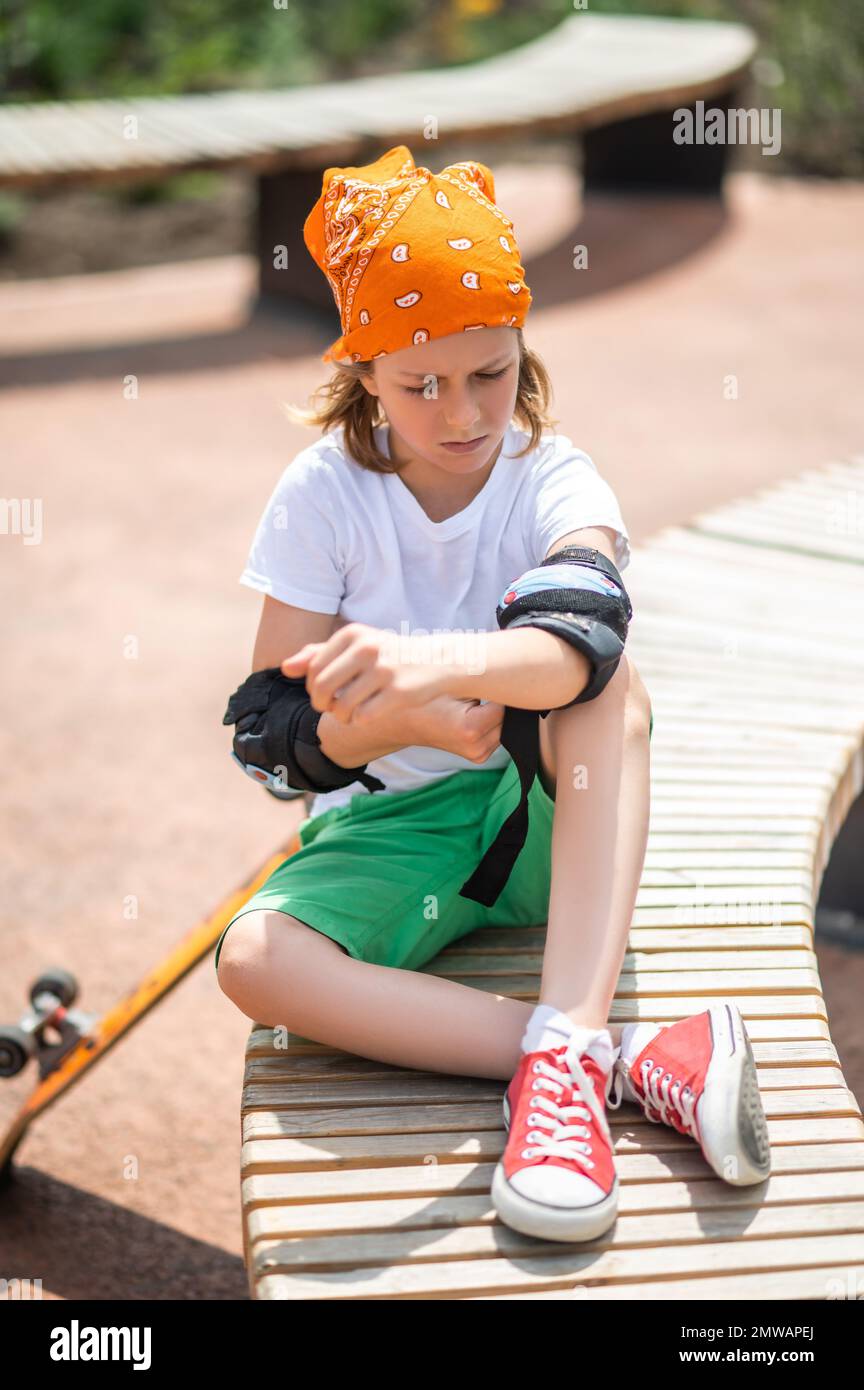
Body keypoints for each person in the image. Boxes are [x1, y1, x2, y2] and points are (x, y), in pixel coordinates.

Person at [215, 145, 771, 1244]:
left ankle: (564, 1057)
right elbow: (265, 740)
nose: (462, 412)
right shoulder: (322, 494)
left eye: (490, 372)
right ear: (365, 370)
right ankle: (601, 1055)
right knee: (254, 961)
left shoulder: (552, 474)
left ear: (523, 347)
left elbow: (581, 639)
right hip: (398, 830)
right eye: (420, 384)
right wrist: (387, 723)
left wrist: (430, 667)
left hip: (548, 820)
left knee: (612, 689)